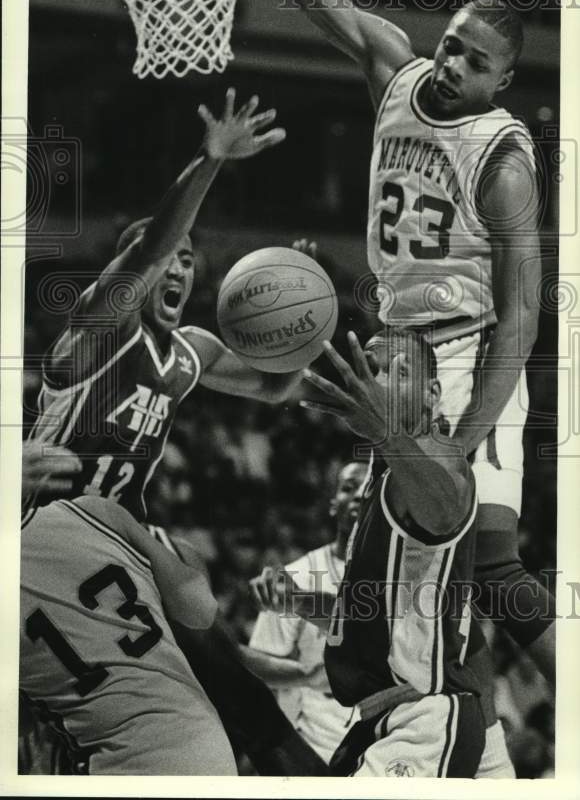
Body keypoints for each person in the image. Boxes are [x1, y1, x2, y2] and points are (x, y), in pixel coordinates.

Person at [218, 0, 554, 687]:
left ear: (503, 78)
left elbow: (521, 312)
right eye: (450, 46)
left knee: (491, 563)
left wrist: (470, 435)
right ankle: (441, 726)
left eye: (474, 61)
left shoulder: (503, 158)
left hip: (474, 346)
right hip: (396, 349)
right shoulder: (394, 75)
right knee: (413, 567)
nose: (450, 66)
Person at [27, 88, 301, 519]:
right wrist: (210, 161)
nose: (175, 269)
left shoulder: (193, 351)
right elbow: (153, 249)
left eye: (187, 261)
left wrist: (308, 324)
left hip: (115, 535)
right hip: (43, 523)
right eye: (168, 261)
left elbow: (273, 386)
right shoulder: (102, 324)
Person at [253, 328, 485, 777]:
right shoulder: (381, 478)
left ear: (431, 394)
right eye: (372, 369)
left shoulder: (441, 457)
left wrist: (382, 432)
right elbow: (367, 620)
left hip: (426, 721)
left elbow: (444, 510)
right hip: (375, 719)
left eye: (396, 372)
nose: (375, 381)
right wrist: (298, 600)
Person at [20, 494, 328, 776]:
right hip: (202, 742)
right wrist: (302, 674)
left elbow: (224, 656)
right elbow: (216, 637)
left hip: (111, 753)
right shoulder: (100, 518)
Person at [249, 461, 368, 763]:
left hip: (385, 741)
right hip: (317, 741)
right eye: (347, 488)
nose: (356, 497)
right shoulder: (298, 576)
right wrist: (308, 676)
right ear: (332, 504)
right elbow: (259, 665)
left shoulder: (396, 580)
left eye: (367, 490)